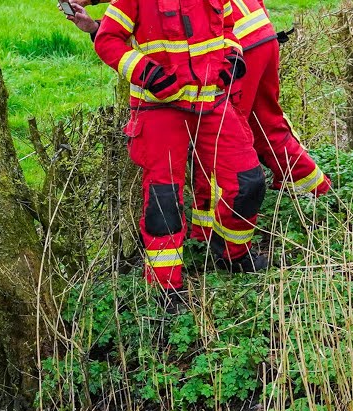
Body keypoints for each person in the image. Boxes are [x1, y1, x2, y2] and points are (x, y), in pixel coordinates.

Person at [66, 0, 331, 255]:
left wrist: (229, 58)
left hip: (225, 64)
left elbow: (185, 25)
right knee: (268, 128)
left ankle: (210, 238)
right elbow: (139, 27)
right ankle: (324, 197)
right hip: (258, 37)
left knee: (223, 159)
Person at [78, 0, 265, 308]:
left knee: (249, 182)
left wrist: (232, 57)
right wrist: (148, 74)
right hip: (158, 107)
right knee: (164, 200)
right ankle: (166, 288)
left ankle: (232, 252)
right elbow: (107, 39)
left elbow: (229, 27)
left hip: (211, 102)